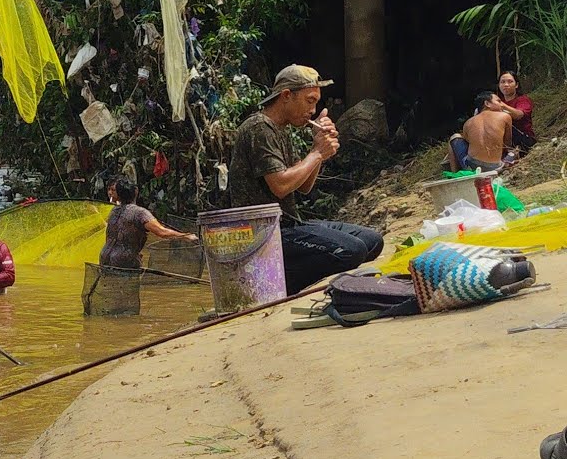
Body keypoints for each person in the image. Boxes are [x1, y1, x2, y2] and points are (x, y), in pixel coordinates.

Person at [228, 64, 384, 294]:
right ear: (286, 96)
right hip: (265, 233)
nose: (313, 110)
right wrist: (317, 153)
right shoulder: (259, 128)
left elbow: (303, 187)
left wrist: (318, 146)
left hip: (289, 224)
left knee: (372, 240)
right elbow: (281, 186)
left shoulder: (281, 128)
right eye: (309, 101)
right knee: (352, 250)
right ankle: (274, 285)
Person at [98, 179, 198, 270]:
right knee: (128, 290)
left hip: (104, 258)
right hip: (123, 261)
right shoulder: (140, 213)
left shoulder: (113, 211)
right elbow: (162, 232)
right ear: (135, 193)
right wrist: (186, 236)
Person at [447, 91, 513, 172]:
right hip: (495, 167)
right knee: (513, 152)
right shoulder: (505, 116)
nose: (501, 104)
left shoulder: (468, 123)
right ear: (487, 103)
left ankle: (455, 173)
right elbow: (507, 144)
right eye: (498, 101)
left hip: (472, 168)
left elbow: (468, 142)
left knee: (455, 137)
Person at [493, 71, 535, 153]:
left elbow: (519, 115)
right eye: (502, 82)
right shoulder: (500, 101)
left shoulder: (523, 100)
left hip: (523, 140)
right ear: (499, 85)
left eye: (510, 81)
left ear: (516, 85)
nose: (506, 85)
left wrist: (501, 106)